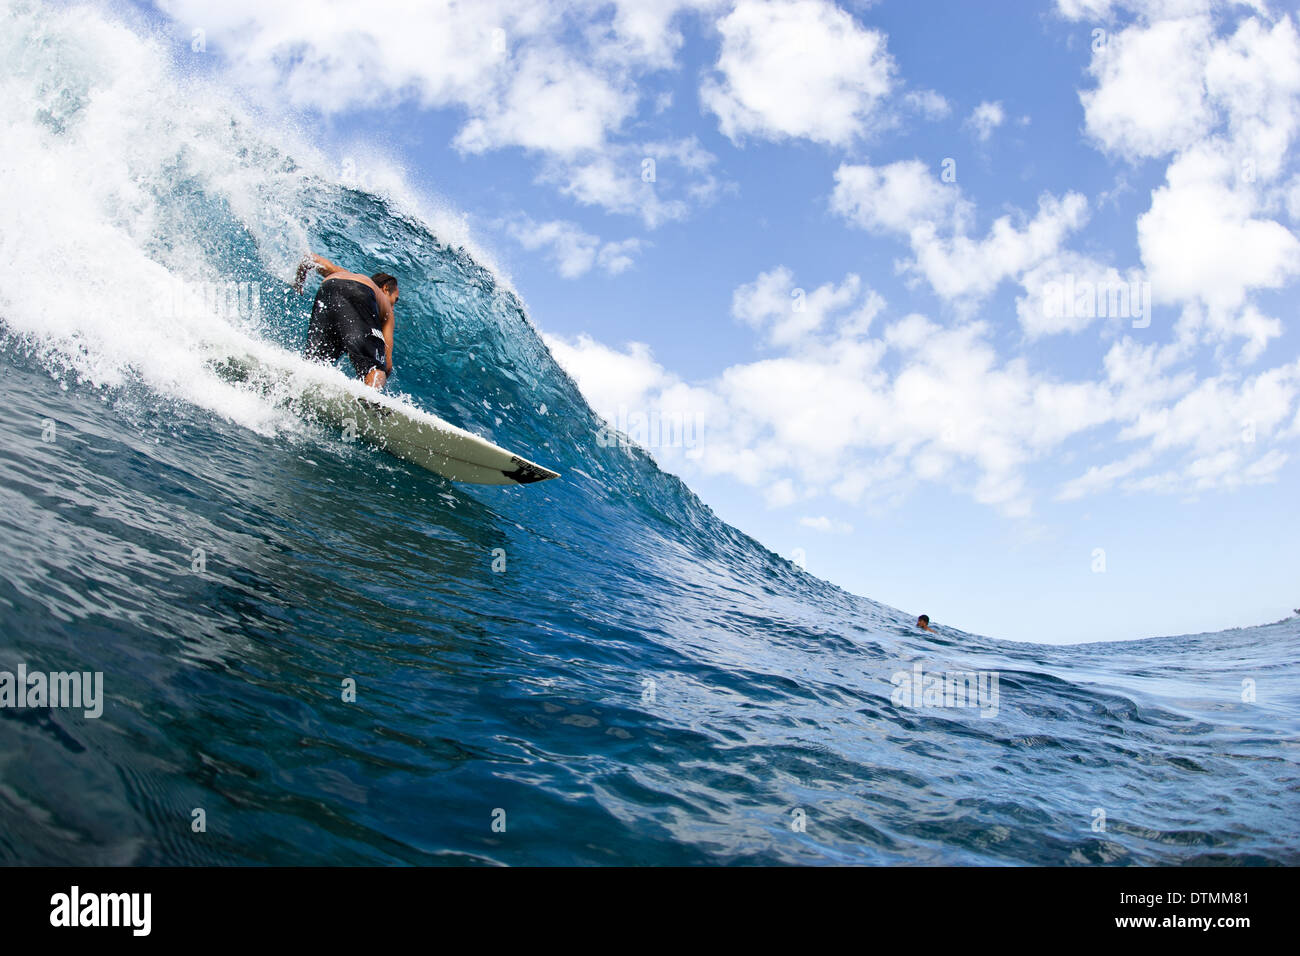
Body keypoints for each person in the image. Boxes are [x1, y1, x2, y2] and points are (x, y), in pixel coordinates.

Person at [294, 252, 399, 389]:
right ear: (385, 289)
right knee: (374, 368)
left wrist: (298, 281)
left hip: (328, 287)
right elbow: (387, 362)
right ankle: (370, 404)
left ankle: (294, 390)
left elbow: (311, 259)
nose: (392, 307)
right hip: (359, 294)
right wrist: (381, 372)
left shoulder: (346, 275)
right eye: (394, 300)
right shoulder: (386, 308)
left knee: (314, 361)